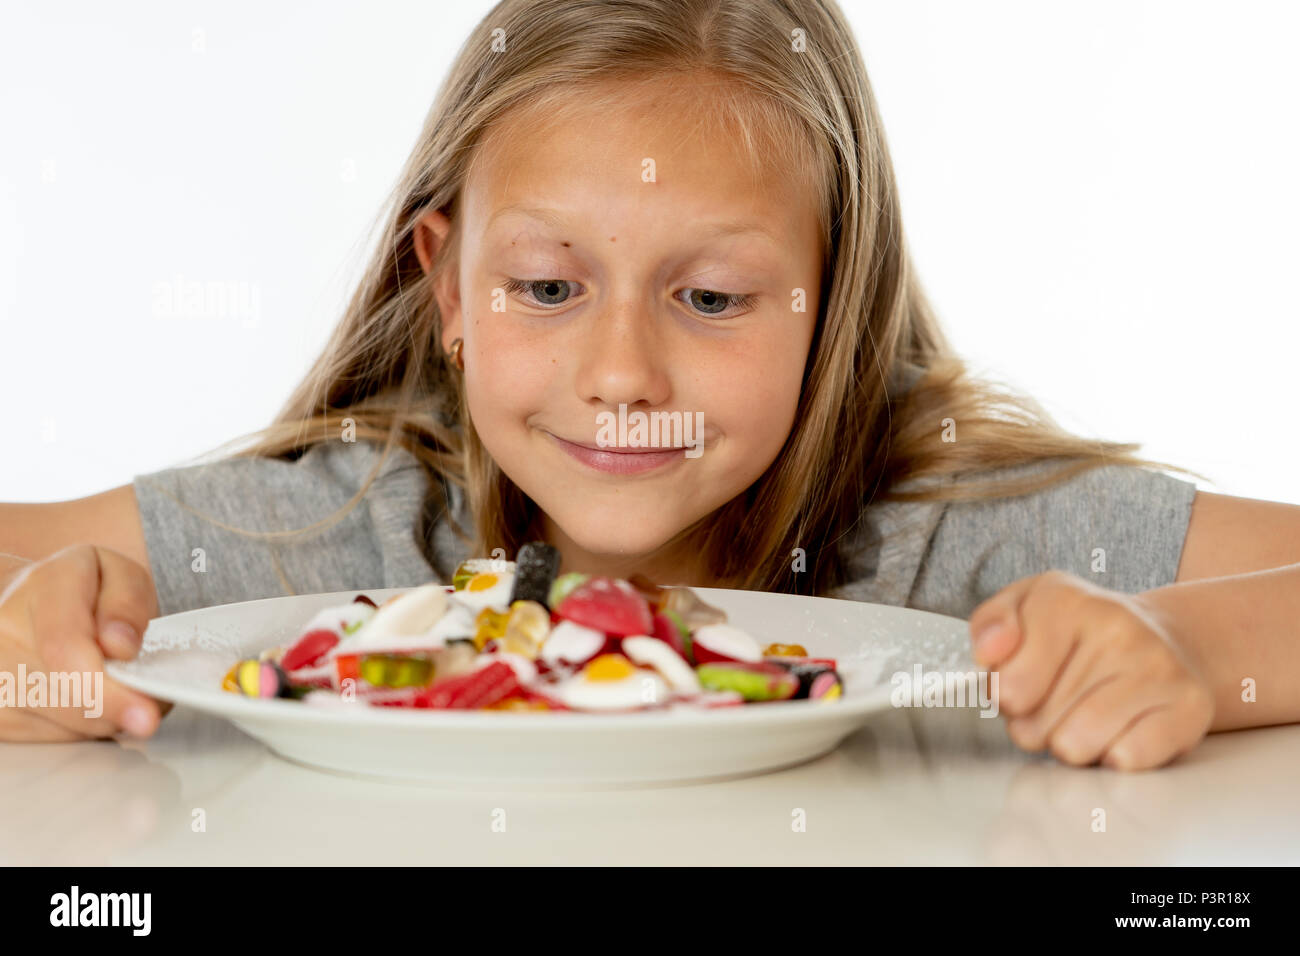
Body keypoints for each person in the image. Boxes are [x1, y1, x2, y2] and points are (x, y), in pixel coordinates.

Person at [4, 0, 1298, 769]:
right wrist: (24, 639)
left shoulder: (956, 544)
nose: (621, 377)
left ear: (829, 304)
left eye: (715, 298)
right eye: (548, 288)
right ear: (449, 293)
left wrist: (1192, 648)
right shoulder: (345, 535)